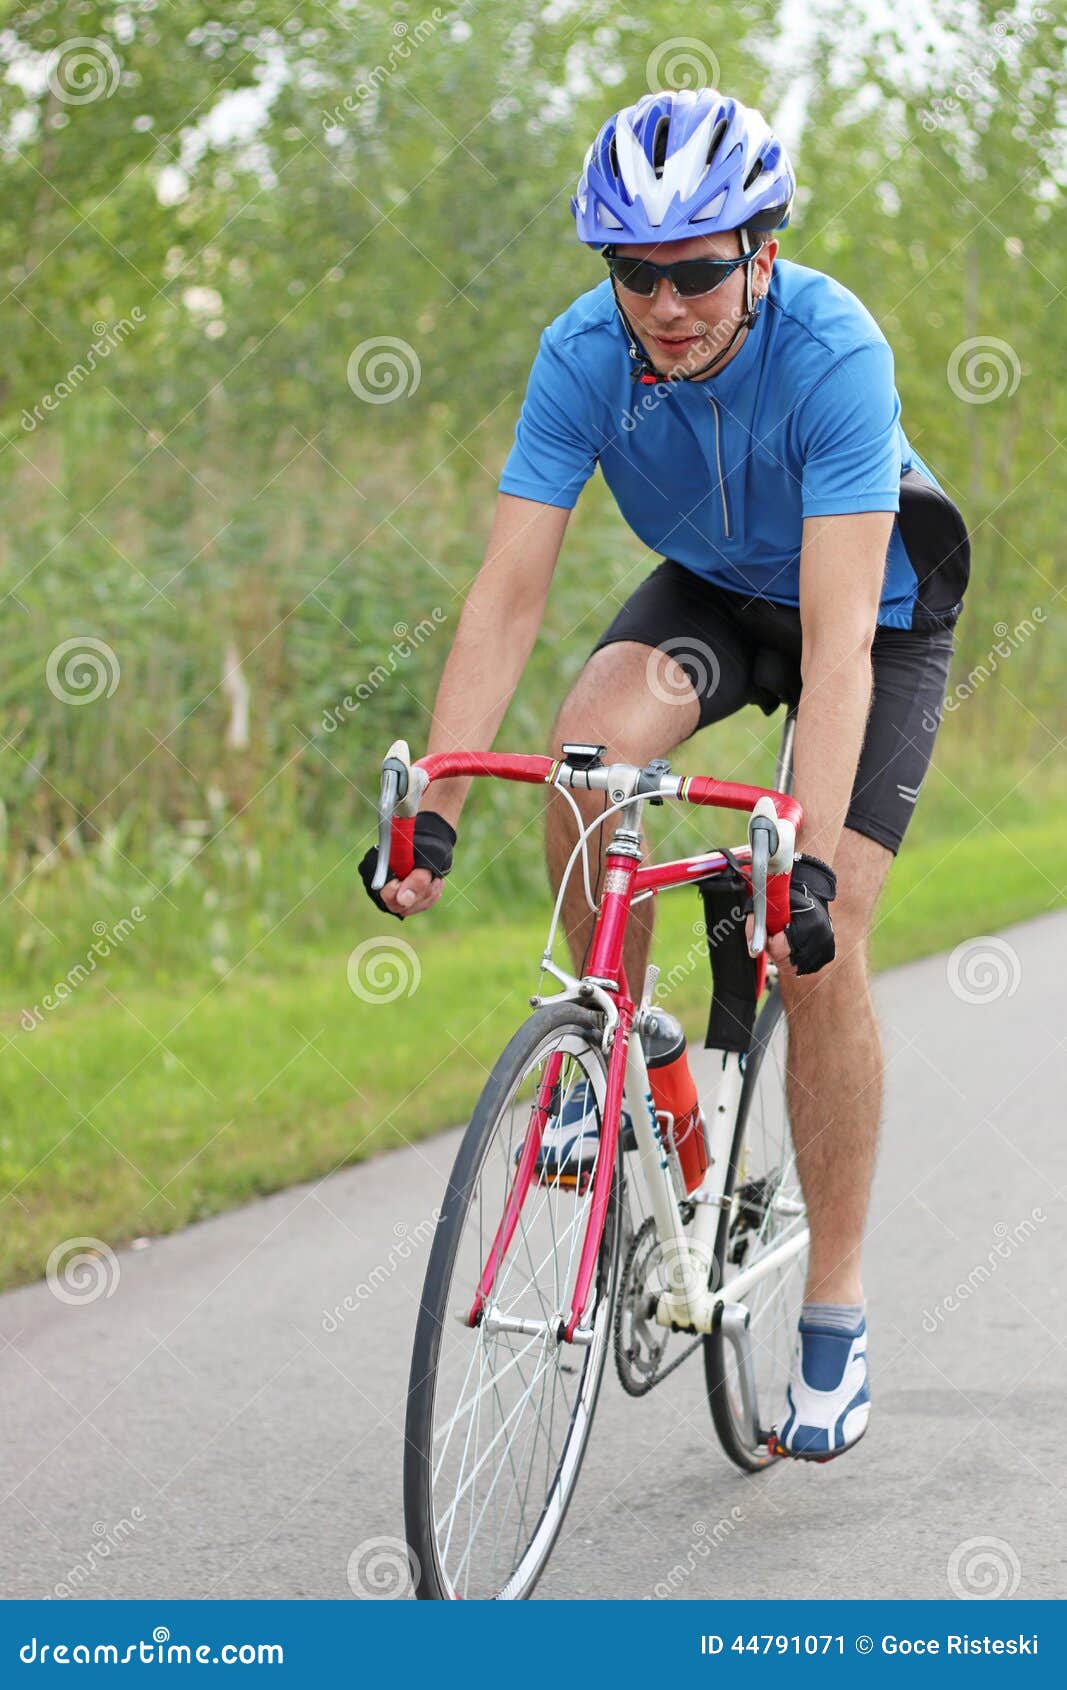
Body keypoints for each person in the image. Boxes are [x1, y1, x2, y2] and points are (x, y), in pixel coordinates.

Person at [360, 88, 970, 1462]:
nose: (667, 302)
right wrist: (439, 806)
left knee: (819, 949)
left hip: (867, 613)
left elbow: (831, 643)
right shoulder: (583, 355)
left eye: (699, 267)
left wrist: (803, 858)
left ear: (762, 252)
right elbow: (508, 595)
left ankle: (835, 1309)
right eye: (636, 270)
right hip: (712, 585)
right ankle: (626, 1045)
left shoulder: (833, 350)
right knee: (587, 755)